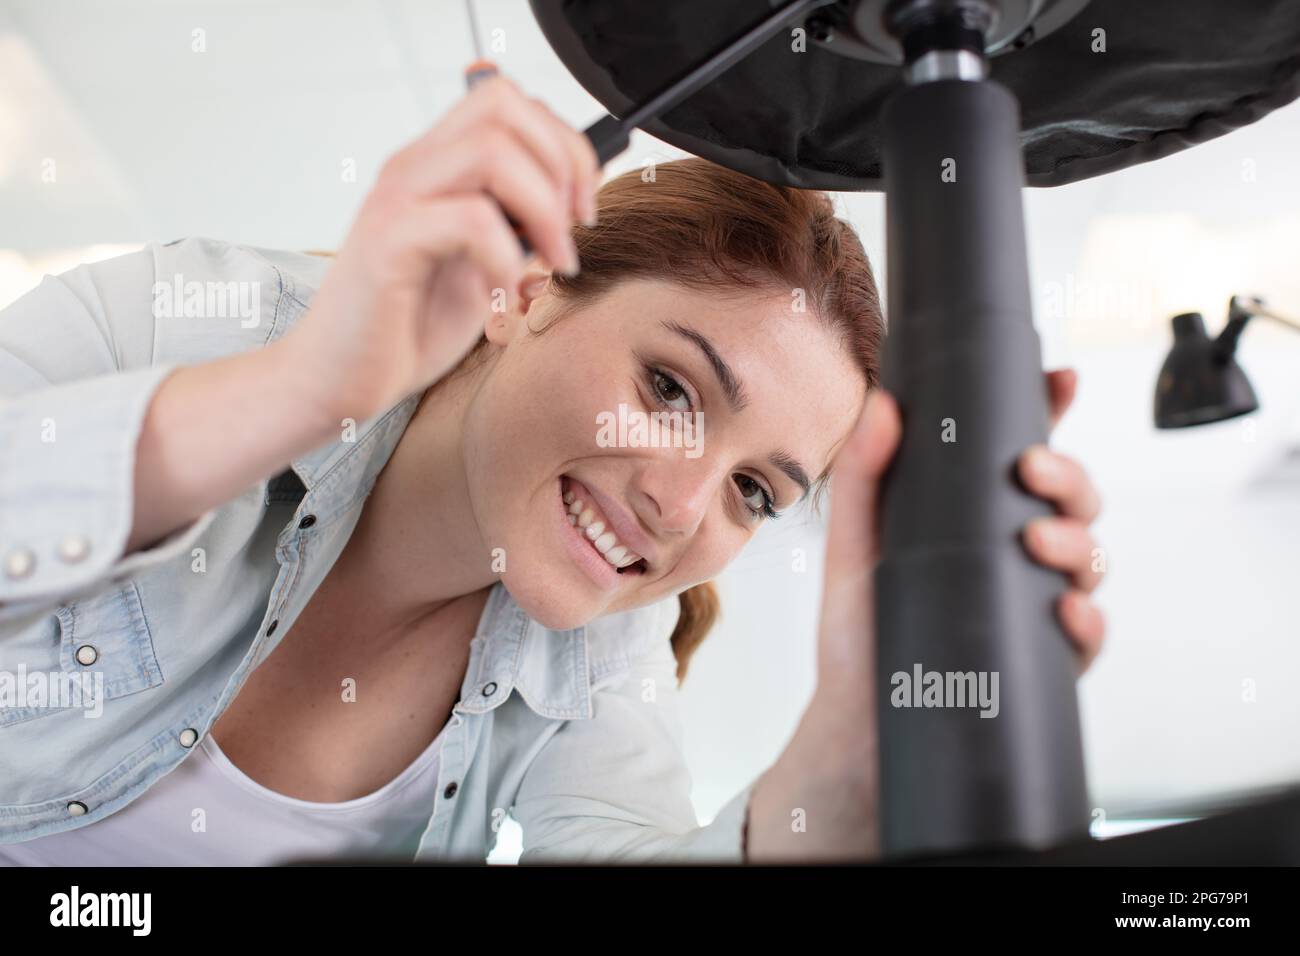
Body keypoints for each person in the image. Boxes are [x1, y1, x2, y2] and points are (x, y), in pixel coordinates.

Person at [0, 75, 1105, 865]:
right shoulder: (192, 318)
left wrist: (850, 743)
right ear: (526, 288)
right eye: (672, 387)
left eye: (752, 490)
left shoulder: (602, 655)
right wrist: (301, 388)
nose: (678, 505)